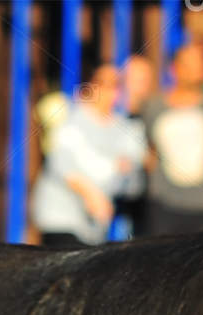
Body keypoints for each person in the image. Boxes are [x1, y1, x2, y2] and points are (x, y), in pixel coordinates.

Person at [29, 62, 145, 247]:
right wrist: (91, 194)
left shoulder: (128, 129)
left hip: (96, 229)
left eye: (116, 85)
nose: (108, 91)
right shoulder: (69, 119)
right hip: (61, 219)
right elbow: (60, 164)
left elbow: (133, 182)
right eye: (102, 83)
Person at [141, 42, 203, 234]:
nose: (195, 70)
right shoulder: (155, 107)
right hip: (163, 204)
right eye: (189, 65)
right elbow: (150, 152)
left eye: (200, 64)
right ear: (174, 69)